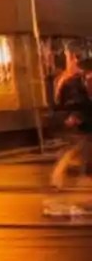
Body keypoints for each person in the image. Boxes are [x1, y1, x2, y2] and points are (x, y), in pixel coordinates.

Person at [50, 58, 92, 192]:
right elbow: (69, 102)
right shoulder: (72, 83)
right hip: (76, 121)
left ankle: (80, 177)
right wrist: (74, 116)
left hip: (84, 121)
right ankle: (57, 178)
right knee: (73, 150)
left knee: (81, 150)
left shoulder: (76, 82)